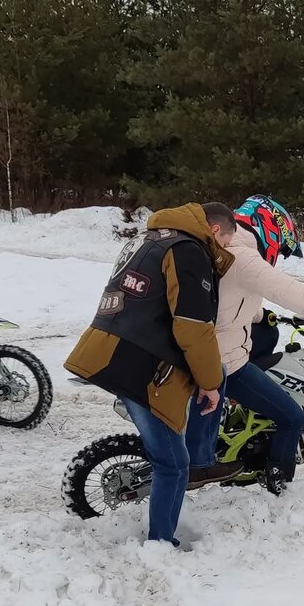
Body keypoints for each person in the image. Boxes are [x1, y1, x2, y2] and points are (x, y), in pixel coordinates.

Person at [65, 201, 239, 550]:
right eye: (228, 243)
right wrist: (210, 383)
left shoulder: (151, 239)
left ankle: (162, 534)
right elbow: (193, 328)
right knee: (174, 463)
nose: (225, 250)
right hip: (140, 364)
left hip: (109, 350)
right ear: (216, 231)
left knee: (171, 456)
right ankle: (160, 543)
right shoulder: (189, 251)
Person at [185, 195, 304, 496]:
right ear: (270, 229)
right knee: (291, 417)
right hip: (223, 359)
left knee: (267, 335)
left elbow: (227, 298)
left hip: (206, 346)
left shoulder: (223, 245)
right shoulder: (245, 256)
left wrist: (258, 314)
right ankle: (280, 489)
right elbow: (297, 295)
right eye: (280, 247)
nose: (277, 254)